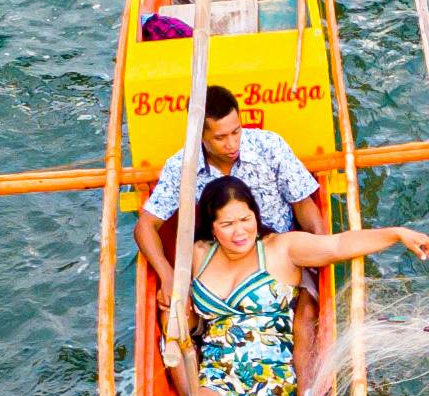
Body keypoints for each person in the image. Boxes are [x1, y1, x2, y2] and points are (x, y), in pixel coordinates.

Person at [164, 176, 429, 396]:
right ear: (212, 227)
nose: (240, 231)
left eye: (246, 219)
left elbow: (338, 245)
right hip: (217, 371)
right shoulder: (199, 253)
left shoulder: (282, 248)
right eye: (227, 224)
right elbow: (178, 307)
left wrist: (396, 234)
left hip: (270, 374)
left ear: (256, 215)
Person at [137, 85, 323, 287]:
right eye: (220, 138)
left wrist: (321, 246)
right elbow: (145, 227)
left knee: (308, 312)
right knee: (172, 313)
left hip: (281, 256)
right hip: (222, 266)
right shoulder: (181, 167)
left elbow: (303, 205)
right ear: (198, 135)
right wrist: (167, 275)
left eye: (236, 132)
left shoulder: (270, 146)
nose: (232, 144)